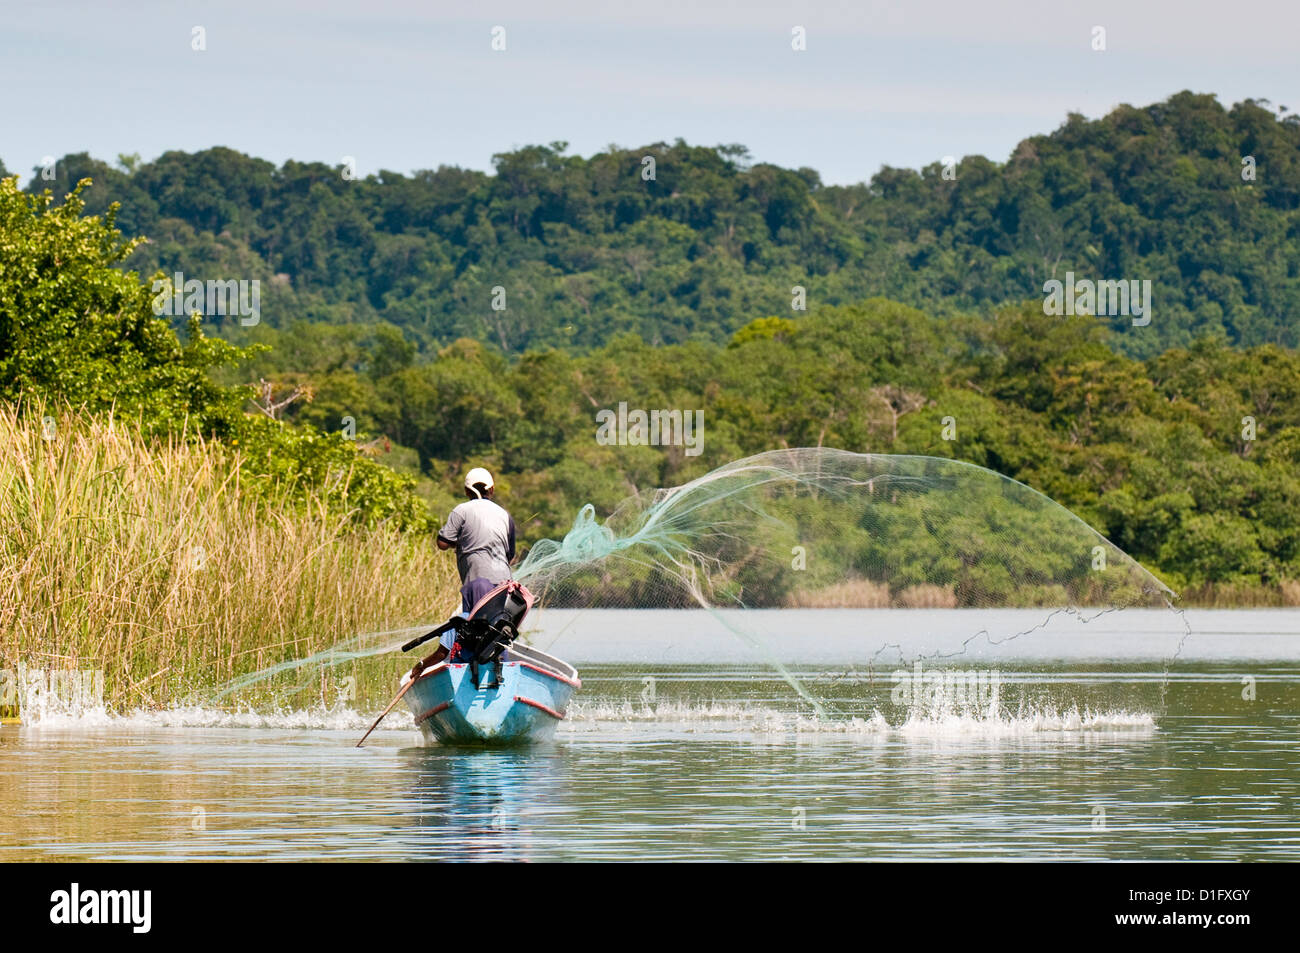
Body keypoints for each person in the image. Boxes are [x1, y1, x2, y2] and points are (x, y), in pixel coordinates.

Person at [411, 468, 517, 676]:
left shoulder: (461, 511)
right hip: (504, 584)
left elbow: (443, 542)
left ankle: (471, 673)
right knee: (496, 629)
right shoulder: (505, 515)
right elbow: (509, 555)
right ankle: (497, 672)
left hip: (476, 581)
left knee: (472, 626)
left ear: (467, 491)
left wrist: (464, 542)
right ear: (492, 490)